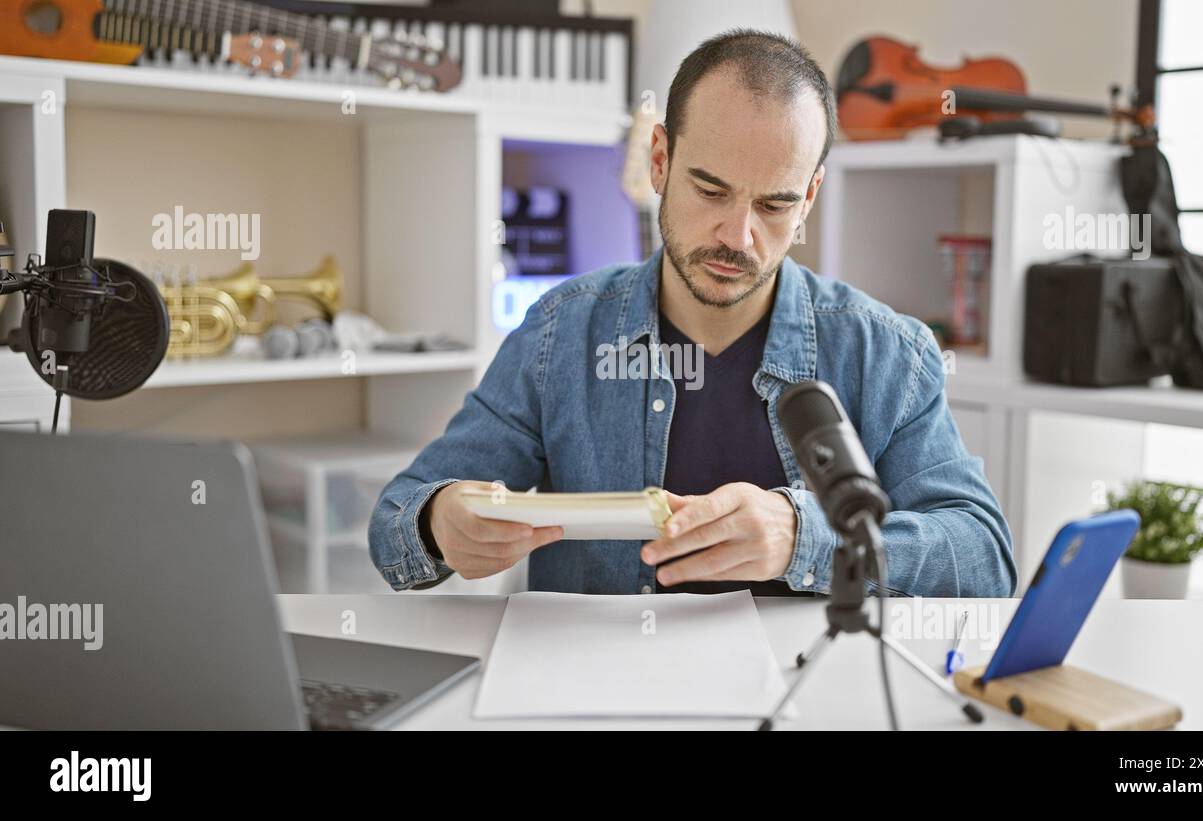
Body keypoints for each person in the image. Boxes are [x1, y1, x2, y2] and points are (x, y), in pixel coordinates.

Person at [369, 29, 1016, 598]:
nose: (738, 236)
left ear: (811, 196)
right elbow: (395, 518)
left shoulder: (884, 351)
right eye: (711, 190)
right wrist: (438, 519)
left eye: (774, 205)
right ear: (659, 160)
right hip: (600, 697)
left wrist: (805, 539)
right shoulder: (560, 332)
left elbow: (984, 558)